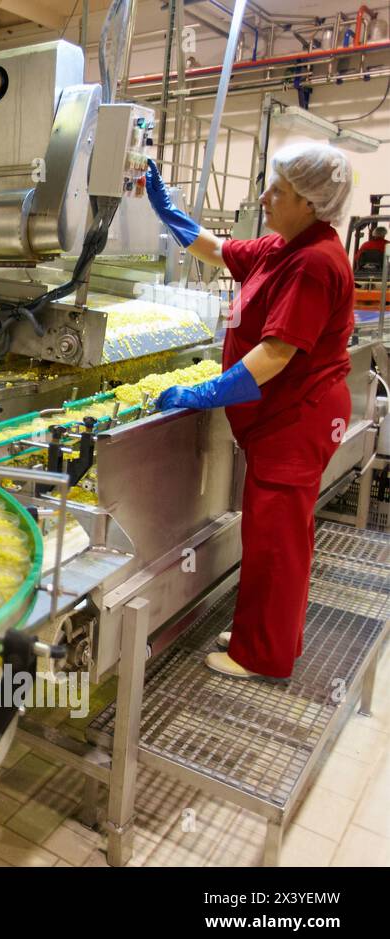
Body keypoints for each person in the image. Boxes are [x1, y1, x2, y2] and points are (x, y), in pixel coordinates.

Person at [144, 142, 354, 681]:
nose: (264, 197)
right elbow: (217, 250)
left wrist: (206, 392)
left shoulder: (312, 262)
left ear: (309, 203)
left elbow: (277, 353)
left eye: (277, 191)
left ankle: (262, 654)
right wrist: (169, 214)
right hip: (279, 418)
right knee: (272, 534)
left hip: (297, 419)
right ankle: (264, 631)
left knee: (276, 540)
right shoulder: (283, 246)